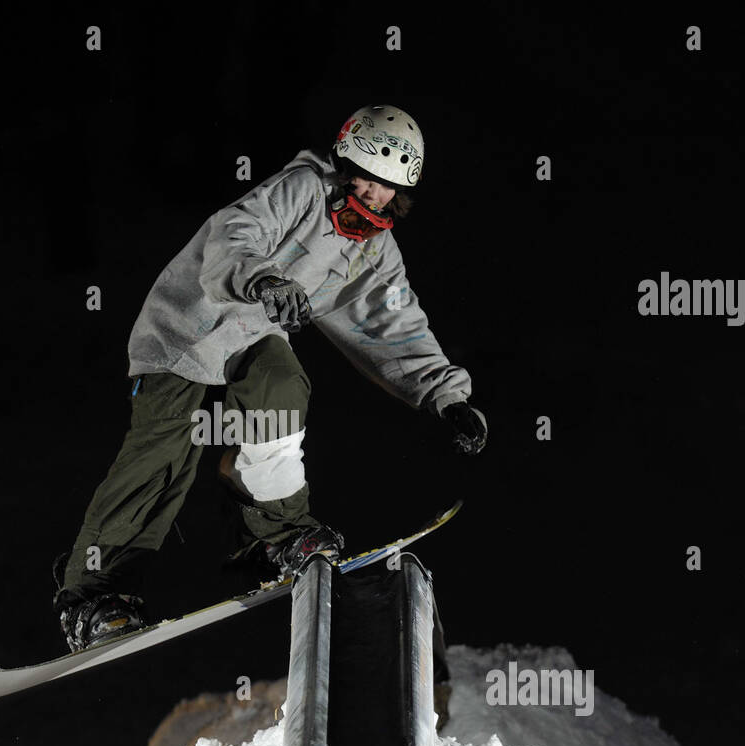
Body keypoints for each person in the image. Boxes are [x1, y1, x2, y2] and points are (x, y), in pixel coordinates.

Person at [52, 104, 488, 653]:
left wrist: (446, 397)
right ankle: (92, 596)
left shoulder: (373, 250)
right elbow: (234, 234)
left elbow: (393, 324)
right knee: (164, 457)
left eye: (387, 188)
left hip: (252, 338)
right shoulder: (302, 189)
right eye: (367, 179)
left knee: (282, 386)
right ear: (345, 163)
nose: (373, 197)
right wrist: (260, 280)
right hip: (187, 329)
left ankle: (278, 534)